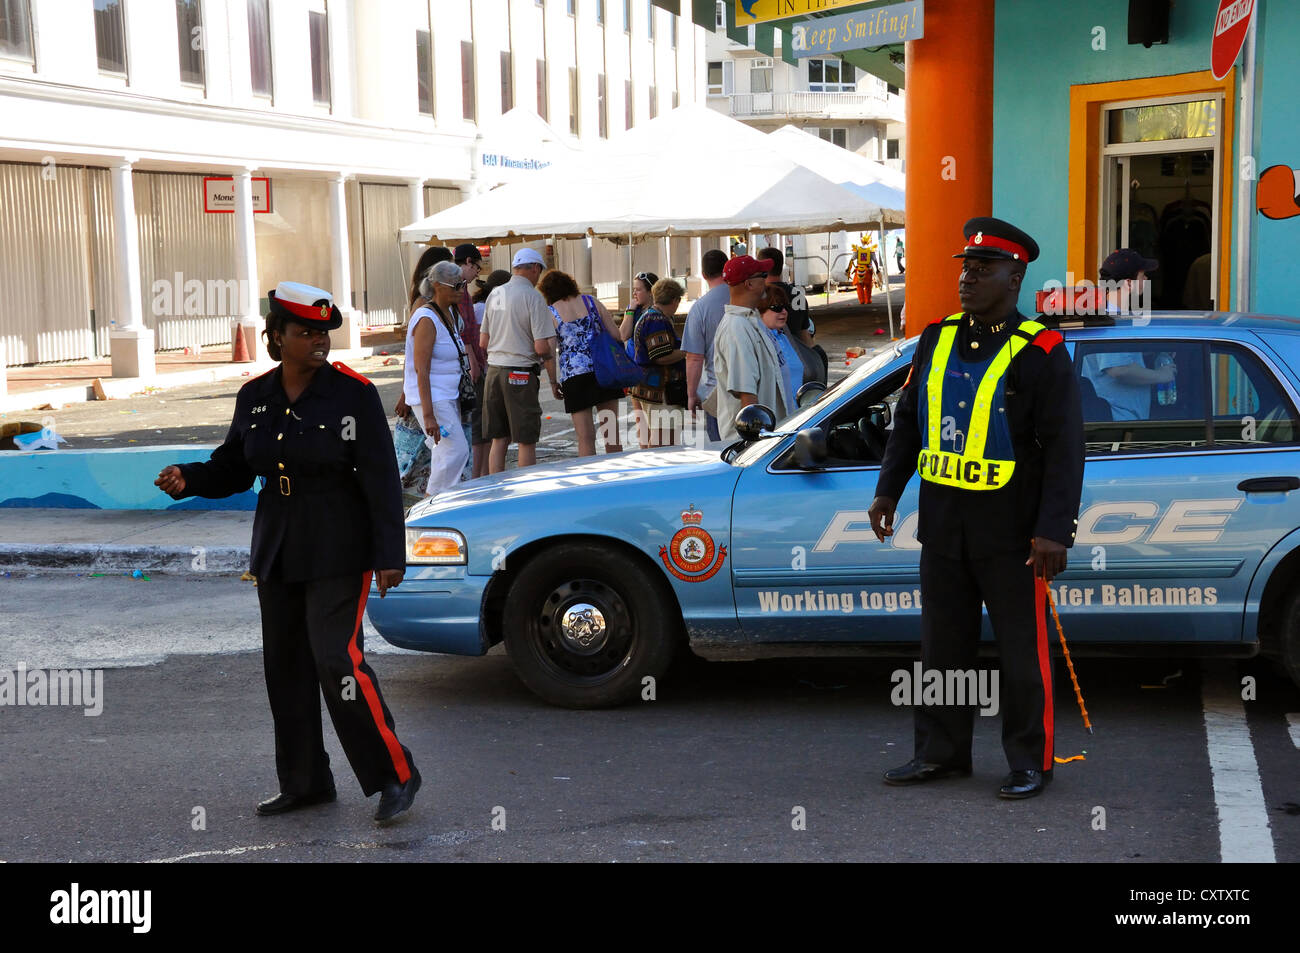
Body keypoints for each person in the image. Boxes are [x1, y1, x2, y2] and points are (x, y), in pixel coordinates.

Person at [153, 280, 420, 824]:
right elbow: (234, 465)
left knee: (335, 660)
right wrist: (191, 478)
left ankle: (395, 774)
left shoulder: (353, 394)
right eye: (305, 332)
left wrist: (390, 553)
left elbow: (380, 478)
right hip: (277, 545)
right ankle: (305, 782)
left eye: (323, 332)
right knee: (286, 667)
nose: (318, 341)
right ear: (276, 337)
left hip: (338, 544)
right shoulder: (256, 397)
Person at [868, 217, 1084, 800]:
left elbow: (1065, 447)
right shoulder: (937, 338)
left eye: (983, 270)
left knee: (1021, 653)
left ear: (1014, 278)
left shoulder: (1040, 349)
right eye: (966, 267)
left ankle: (1029, 761)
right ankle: (940, 754)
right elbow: (910, 420)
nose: (967, 278)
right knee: (943, 648)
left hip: (1014, 534)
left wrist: (1053, 531)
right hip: (943, 527)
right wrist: (889, 489)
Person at [479, 247, 560, 473]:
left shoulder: (495, 293)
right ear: (535, 268)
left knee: (499, 438)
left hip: (494, 371)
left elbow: (483, 342)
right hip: (521, 373)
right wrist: (553, 379)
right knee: (525, 438)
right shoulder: (533, 297)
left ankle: (496, 489)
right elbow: (542, 346)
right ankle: (525, 491)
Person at [538, 268, 625, 457]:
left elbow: (550, 352)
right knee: (611, 433)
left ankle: (590, 480)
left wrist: (553, 381)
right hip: (604, 370)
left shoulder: (551, 313)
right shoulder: (591, 302)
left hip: (574, 376)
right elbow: (616, 335)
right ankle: (619, 478)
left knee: (585, 437)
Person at [403, 260, 472, 497]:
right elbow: (420, 369)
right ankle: (433, 501)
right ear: (436, 285)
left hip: (447, 395)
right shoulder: (426, 318)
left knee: (446, 453)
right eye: (456, 285)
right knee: (456, 451)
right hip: (433, 398)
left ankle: (438, 501)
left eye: (462, 284)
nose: (461, 289)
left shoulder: (449, 314)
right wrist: (429, 414)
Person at [1084, 248, 1173, 421]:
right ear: (1128, 283)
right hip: (1119, 422)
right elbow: (1119, 369)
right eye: (1142, 275)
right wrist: (1160, 375)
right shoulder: (1111, 319)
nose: (1146, 279)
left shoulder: (1115, 315)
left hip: (1121, 420)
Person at [713, 255, 788, 441]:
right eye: (763, 275)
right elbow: (747, 395)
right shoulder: (736, 328)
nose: (766, 280)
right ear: (749, 284)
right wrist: (754, 445)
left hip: (767, 436)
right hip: (754, 442)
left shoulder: (749, 320)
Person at [628, 277, 688, 447]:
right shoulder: (657, 320)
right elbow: (660, 356)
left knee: (658, 438)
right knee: (663, 442)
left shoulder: (651, 316)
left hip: (651, 387)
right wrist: (687, 351)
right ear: (675, 300)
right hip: (659, 390)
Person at [683, 249, 730, 441]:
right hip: (751, 387)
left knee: (722, 453)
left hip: (716, 392)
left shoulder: (699, 308)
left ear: (703, 275)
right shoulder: (748, 297)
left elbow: (694, 357)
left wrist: (691, 394)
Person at [453, 244, 488, 479]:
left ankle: (477, 473)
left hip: (471, 357)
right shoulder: (457, 287)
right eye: (476, 266)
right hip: (467, 360)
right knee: (474, 421)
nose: (477, 273)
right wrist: (473, 360)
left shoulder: (462, 287)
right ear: (466, 262)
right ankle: (475, 475)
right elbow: (463, 328)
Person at [757, 284, 802, 417]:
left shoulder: (782, 336)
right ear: (760, 311)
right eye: (777, 307)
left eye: (785, 307)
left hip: (796, 415)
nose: (784, 312)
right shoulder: (759, 342)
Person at [619, 271, 658, 343]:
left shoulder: (659, 311)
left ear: (651, 292)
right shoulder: (632, 309)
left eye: (638, 290)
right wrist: (630, 311)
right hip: (632, 354)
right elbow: (622, 336)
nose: (634, 293)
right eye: (634, 289)